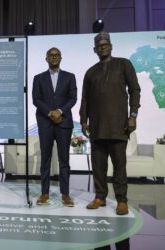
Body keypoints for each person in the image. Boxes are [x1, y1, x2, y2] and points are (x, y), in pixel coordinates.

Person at [79, 32, 141, 215]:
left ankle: (122, 200)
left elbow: (135, 90)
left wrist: (133, 115)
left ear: (111, 46)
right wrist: (83, 120)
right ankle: (100, 197)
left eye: (106, 44)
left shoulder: (123, 64)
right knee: (98, 167)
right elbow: (85, 99)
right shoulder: (90, 72)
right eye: (99, 45)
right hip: (97, 127)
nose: (103, 47)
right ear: (94, 49)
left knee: (119, 166)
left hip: (118, 126)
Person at [32, 47, 77, 207]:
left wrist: (59, 111)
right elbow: (36, 100)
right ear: (46, 59)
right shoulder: (38, 78)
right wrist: (50, 113)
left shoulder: (70, 77)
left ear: (61, 58)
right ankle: (44, 194)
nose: (54, 57)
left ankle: (65, 194)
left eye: (57, 55)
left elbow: (73, 98)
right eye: (51, 55)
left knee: (64, 160)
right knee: (45, 159)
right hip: (45, 122)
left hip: (64, 122)